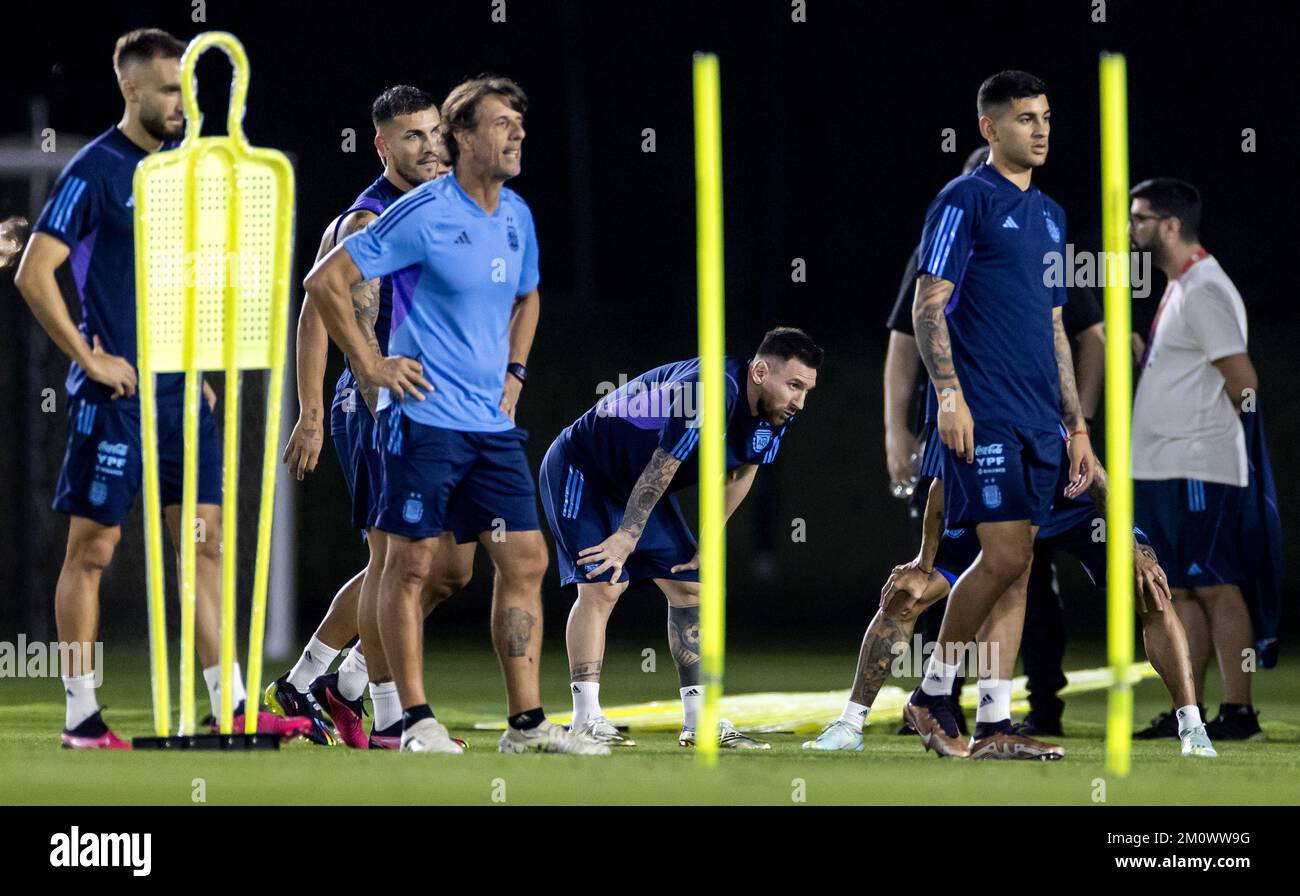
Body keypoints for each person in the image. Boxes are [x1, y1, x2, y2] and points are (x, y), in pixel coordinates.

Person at [14, 28, 310, 746]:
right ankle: (81, 716)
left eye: (187, 88)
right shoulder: (97, 170)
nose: (183, 102)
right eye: (170, 89)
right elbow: (33, 270)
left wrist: (202, 367)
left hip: (185, 402)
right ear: (131, 90)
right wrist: (89, 358)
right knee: (94, 549)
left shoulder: (189, 169)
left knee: (204, 547)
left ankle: (231, 706)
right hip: (115, 404)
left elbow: (190, 281)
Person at [304, 75, 606, 755]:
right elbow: (324, 283)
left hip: (491, 428)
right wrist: (371, 366)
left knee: (523, 559)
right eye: (503, 123)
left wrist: (516, 372)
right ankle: (410, 722)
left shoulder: (517, 214)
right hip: (420, 420)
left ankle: (526, 725)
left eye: (520, 123)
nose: (517, 134)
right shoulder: (422, 212)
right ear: (463, 138)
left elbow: (528, 297)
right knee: (406, 566)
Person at [267, 86, 478, 748]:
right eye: (412, 136)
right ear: (382, 145)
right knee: (400, 562)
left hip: (442, 407)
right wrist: (312, 413)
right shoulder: (367, 221)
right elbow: (318, 311)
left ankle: (337, 682)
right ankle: (389, 714)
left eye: (435, 131)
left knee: (451, 570)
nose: (430, 145)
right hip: (383, 409)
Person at [804, 430, 1217, 759]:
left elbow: (1100, 480)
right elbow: (939, 489)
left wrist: (1130, 544)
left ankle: (1192, 727)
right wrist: (923, 564)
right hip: (1003, 514)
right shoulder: (964, 408)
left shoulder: (1031, 406)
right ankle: (850, 724)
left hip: (1070, 512)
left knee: (1153, 589)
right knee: (906, 595)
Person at [905, 70, 1096, 757]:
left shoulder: (1051, 216)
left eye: (1045, 116)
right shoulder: (964, 198)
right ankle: (931, 694)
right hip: (980, 415)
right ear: (989, 128)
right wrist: (949, 396)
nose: (1040, 129)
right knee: (1005, 552)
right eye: (1024, 118)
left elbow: (1053, 328)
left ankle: (992, 725)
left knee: (1018, 569)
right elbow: (929, 303)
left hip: (1038, 420)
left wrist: (1076, 427)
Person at [541, 328, 821, 748]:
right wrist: (626, 536)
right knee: (603, 587)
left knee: (693, 588)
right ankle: (586, 718)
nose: (800, 401)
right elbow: (663, 464)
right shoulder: (710, 392)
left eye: (807, 390)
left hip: (636, 482)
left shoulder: (774, 411)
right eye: (794, 385)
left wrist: (709, 540)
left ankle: (699, 720)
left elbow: (741, 473)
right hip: (584, 468)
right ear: (761, 371)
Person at [1128, 177, 1264, 741]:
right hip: (1167, 466)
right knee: (1179, 587)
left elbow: (1244, 383)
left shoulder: (1205, 286)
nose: (1131, 229)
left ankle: (1239, 712)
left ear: (1170, 225)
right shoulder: (1181, 285)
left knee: (1215, 584)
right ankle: (1193, 711)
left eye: (1139, 218)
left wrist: (1221, 447)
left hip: (1196, 468)